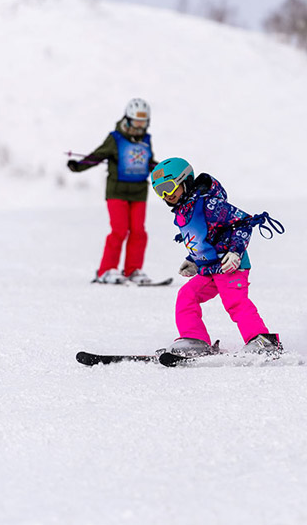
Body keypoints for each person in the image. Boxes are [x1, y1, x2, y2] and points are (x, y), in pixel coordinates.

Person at [149, 157, 281, 355]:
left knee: (235, 301)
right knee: (187, 295)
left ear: (185, 181)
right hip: (210, 268)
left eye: (168, 187)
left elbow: (243, 222)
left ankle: (263, 341)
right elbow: (205, 238)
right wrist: (194, 260)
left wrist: (235, 252)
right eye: (160, 191)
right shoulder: (184, 210)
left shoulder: (209, 204)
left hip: (230, 266)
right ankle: (195, 340)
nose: (166, 195)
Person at [67, 98, 157, 284]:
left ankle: (133, 270)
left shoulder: (146, 140)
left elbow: (148, 162)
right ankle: (106, 270)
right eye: (136, 122)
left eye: (143, 122)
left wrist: (162, 170)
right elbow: (97, 156)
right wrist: (79, 166)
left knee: (138, 232)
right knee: (119, 230)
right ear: (128, 119)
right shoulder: (115, 139)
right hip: (117, 192)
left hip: (139, 192)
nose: (140, 126)